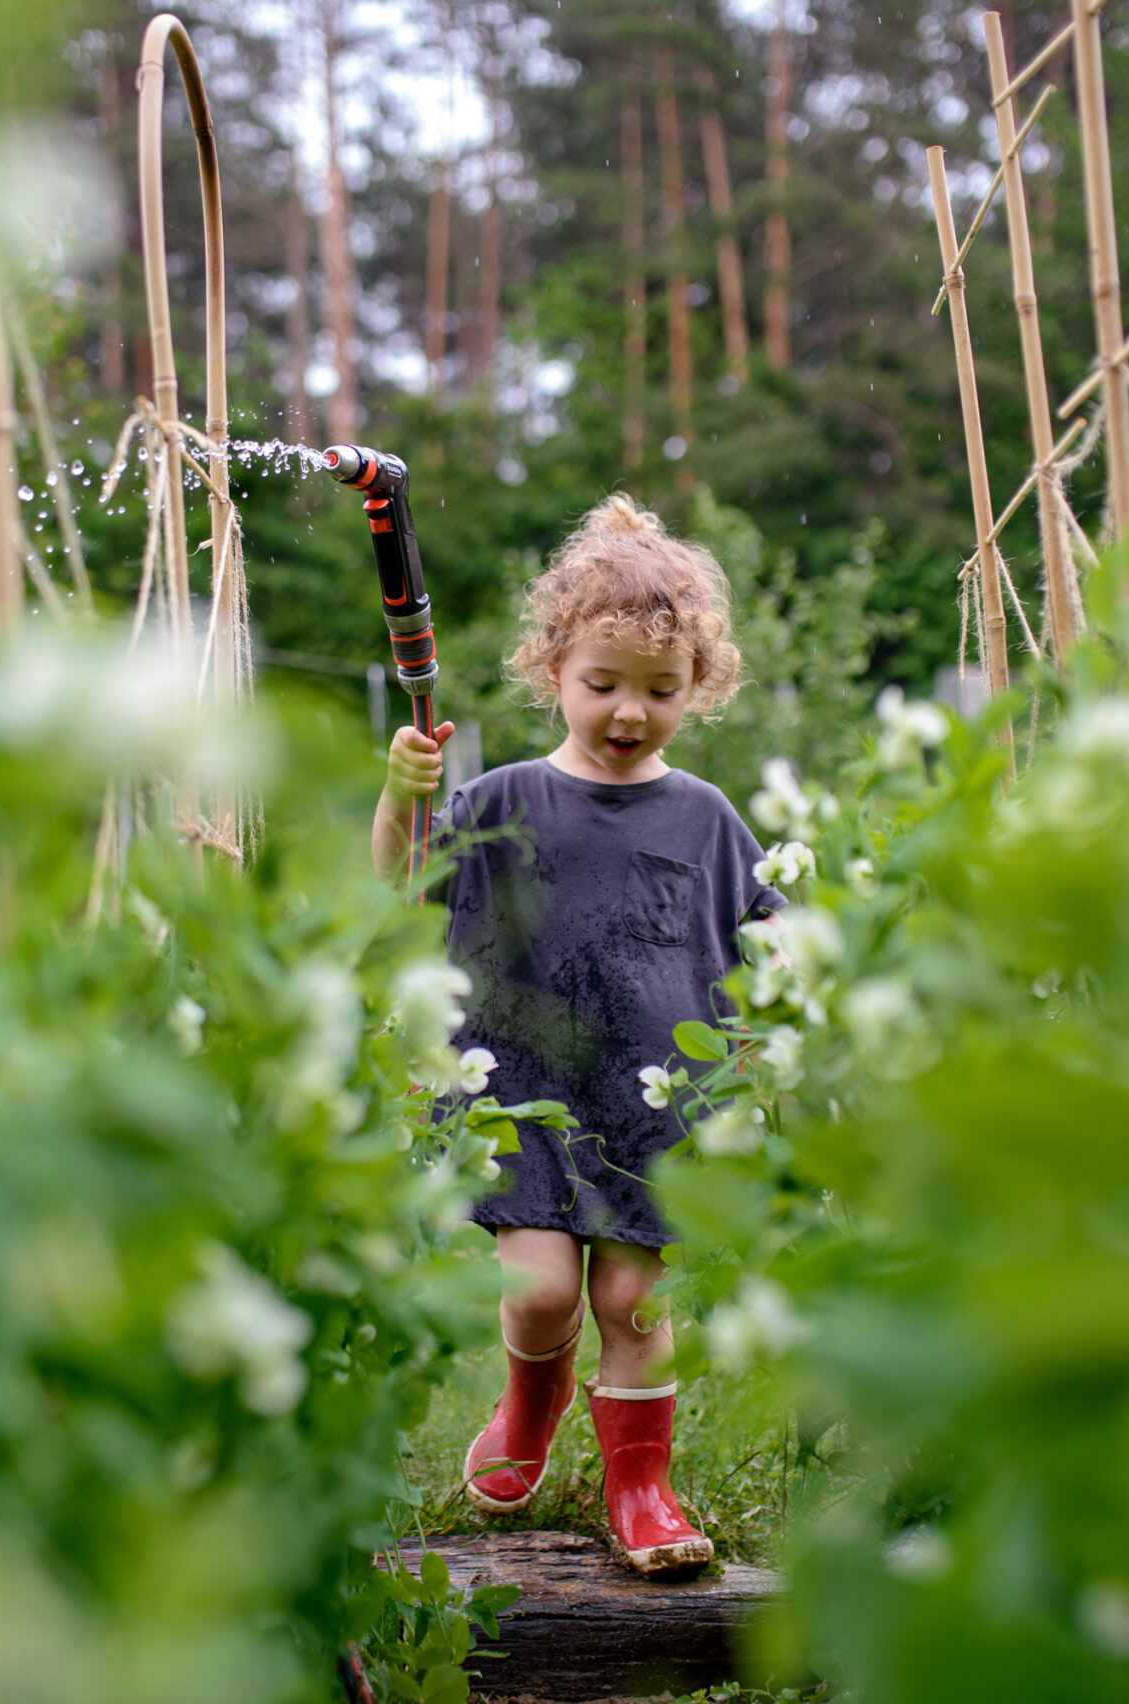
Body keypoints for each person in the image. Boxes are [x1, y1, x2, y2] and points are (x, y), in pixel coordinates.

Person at [372, 493, 782, 1579]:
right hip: (522, 1083)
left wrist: (789, 996)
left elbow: (773, 926)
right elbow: (405, 879)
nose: (629, 712)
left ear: (698, 685)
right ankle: (532, 1400)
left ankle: (641, 1487)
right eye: (603, 684)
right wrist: (403, 796)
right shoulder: (503, 799)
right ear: (552, 667)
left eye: (661, 690)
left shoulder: (705, 816)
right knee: (546, 1290)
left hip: (653, 1098)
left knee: (633, 1303)